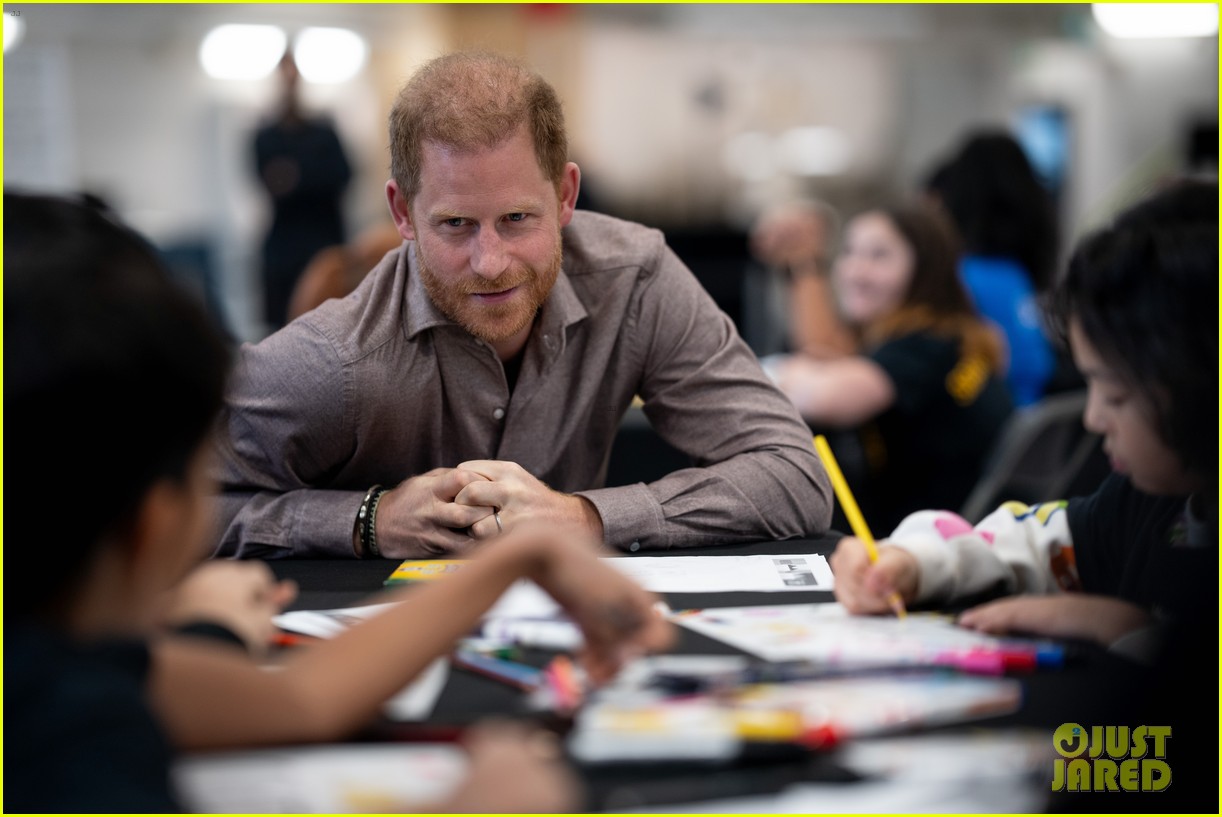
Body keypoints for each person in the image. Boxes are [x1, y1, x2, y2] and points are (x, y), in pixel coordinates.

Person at [3, 190, 674, 813]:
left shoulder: (57, 664)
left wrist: (521, 556)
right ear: (152, 525)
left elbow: (296, 697)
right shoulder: (72, 742)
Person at [213, 51, 831, 560]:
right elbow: (164, 509)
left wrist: (583, 516)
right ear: (402, 212)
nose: (491, 262)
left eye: (516, 218)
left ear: (565, 195)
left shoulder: (634, 281)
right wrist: (366, 519)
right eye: (455, 223)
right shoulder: (333, 358)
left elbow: (793, 475)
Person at [830, 178, 1217, 653]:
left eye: (1115, 395)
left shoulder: (925, 347)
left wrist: (1125, 629)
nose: (1094, 418)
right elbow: (1036, 541)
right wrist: (915, 561)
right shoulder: (1147, 500)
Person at [764, 202, 1013, 535]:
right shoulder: (955, 334)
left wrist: (763, 371)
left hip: (924, 545)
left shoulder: (924, 346)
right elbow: (828, 352)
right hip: (949, 529)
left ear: (924, 270)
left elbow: (826, 398)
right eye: (849, 252)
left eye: (879, 256)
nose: (855, 270)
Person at [922, 131, 1059, 406]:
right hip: (1030, 425)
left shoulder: (968, 277)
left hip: (999, 425)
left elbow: (961, 382)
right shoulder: (1017, 275)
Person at [253, 52, 352, 332]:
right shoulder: (266, 136)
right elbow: (269, 183)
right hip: (284, 251)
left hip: (323, 243)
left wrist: (296, 177)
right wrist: (313, 173)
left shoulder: (324, 132)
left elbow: (343, 175)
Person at [748, 198, 857, 360]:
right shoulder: (767, 274)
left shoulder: (822, 273)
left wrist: (805, 262)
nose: (778, 241)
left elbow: (819, 349)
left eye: (793, 235)